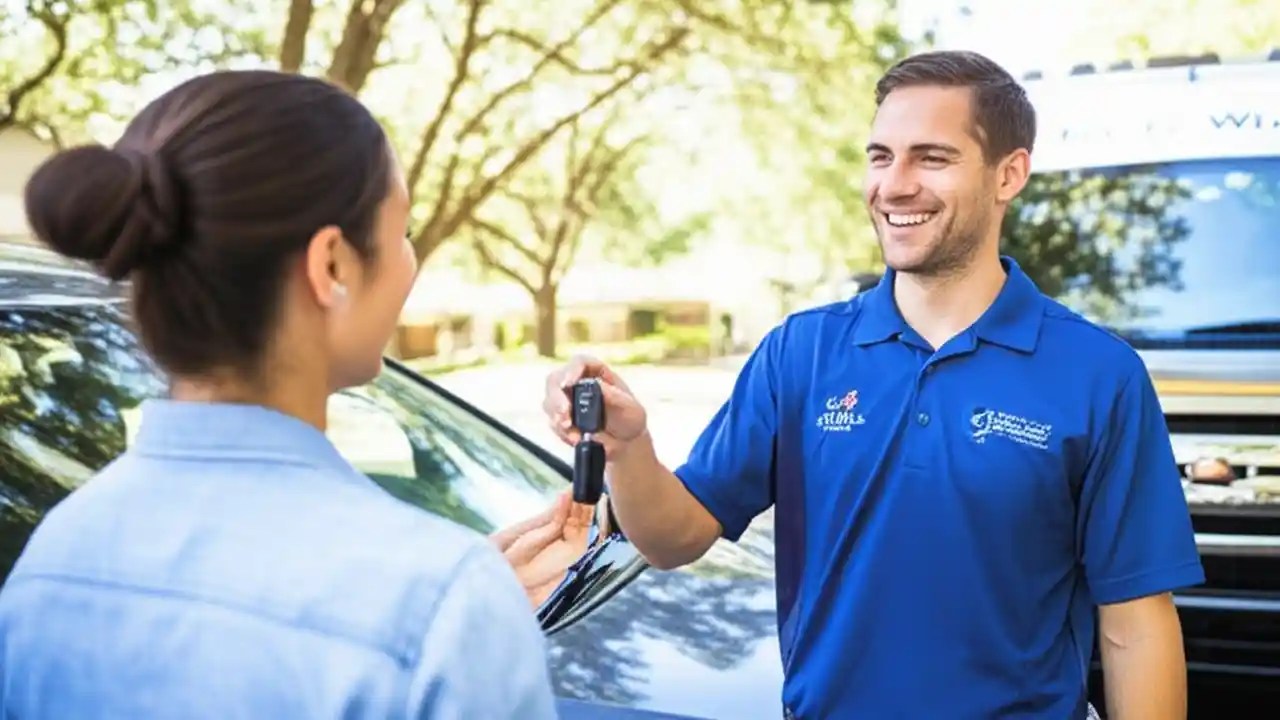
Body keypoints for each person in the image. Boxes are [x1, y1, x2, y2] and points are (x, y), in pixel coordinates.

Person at [535, 50, 1204, 718]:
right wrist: (629, 446)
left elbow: (1135, 623)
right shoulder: (799, 352)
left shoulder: (1098, 374)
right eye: (880, 156)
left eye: (931, 158)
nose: (895, 185)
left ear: (1009, 174)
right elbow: (672, 538)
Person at [0, 70, 558, 719]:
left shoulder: (51, 561)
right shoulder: (441, 602)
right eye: (403, 228)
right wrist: (458, 615)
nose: (411, 262)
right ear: (332, 267)